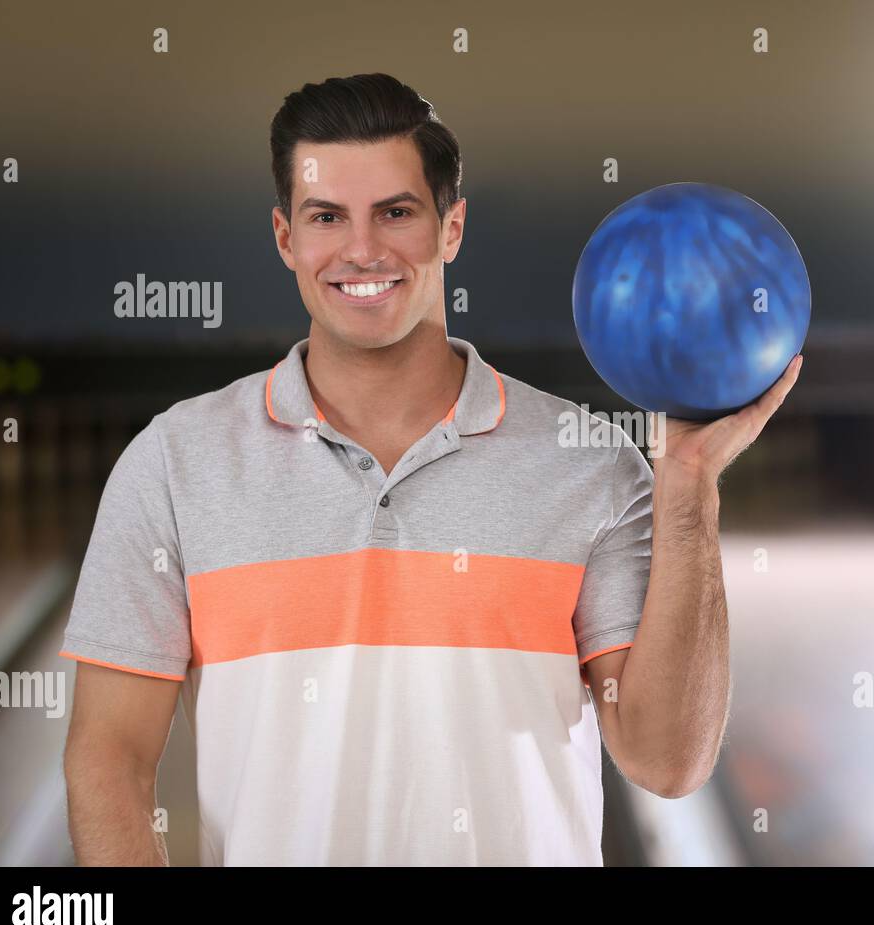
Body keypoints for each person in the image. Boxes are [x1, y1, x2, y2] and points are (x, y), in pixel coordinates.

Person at [60, 73, 802, 866]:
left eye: (396, 212)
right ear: (286, 238)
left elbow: (667, 761)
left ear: (451, 228)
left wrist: (687, 488)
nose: (362, 250)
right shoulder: (176, 463)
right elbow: (110, 755)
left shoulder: (591, 467)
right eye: (326, 217)